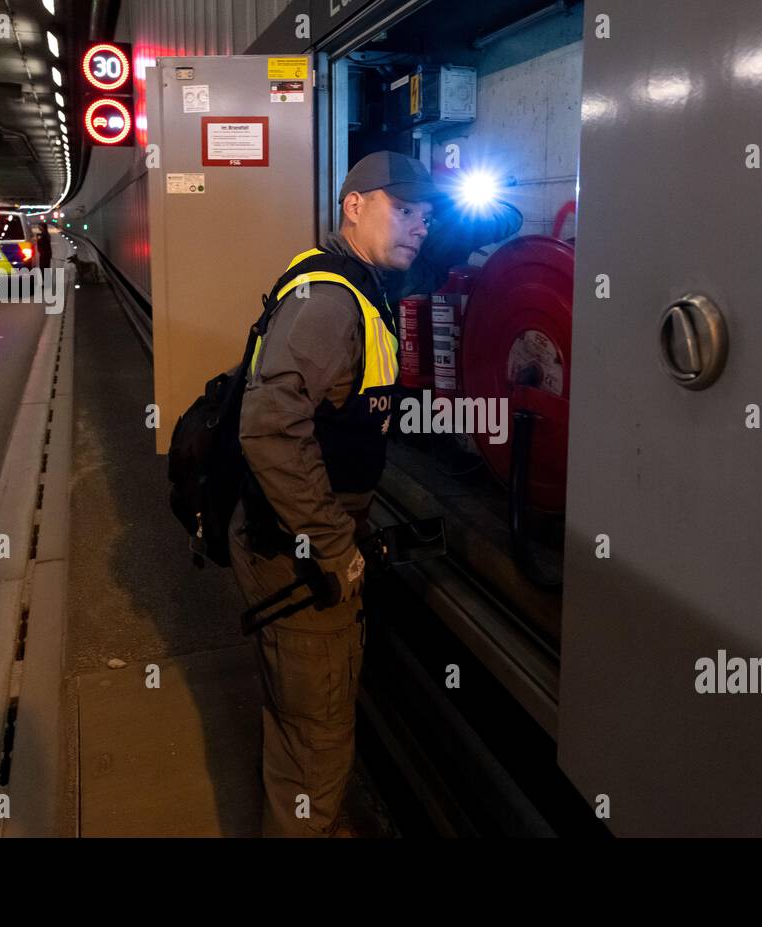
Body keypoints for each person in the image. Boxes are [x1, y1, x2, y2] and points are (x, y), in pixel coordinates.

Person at [228, 150, 520, 836]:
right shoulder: (331, 304)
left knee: (298, 717)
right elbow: (267, 430)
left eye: (425, 213)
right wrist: (333, 543)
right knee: (318, 745)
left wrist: (475, 204)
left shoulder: (363, 276)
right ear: (353, 207)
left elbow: (478, 227)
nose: (419, 226)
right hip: (298, 550)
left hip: (297, 531)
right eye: (404, 210)